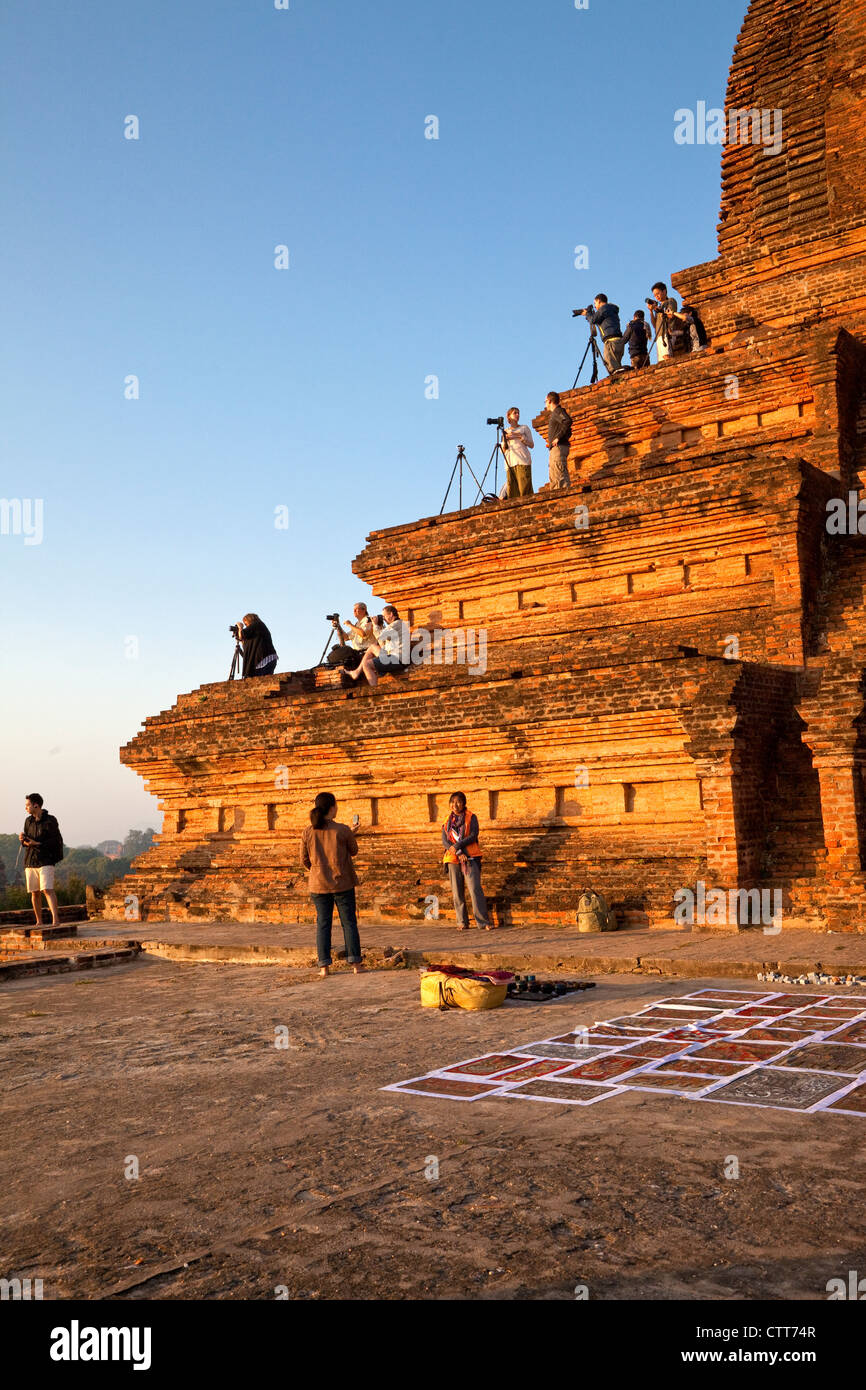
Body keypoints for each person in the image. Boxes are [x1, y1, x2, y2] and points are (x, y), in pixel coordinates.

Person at [301, 791, 364, 977]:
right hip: (341, 883)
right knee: (349, 923)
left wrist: (317, 871)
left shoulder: (308, 832)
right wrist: (351, 834)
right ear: (331, 808)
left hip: (318, 884)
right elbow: (354, 851)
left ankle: (324, 967)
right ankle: (355, 964)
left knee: (323, 924)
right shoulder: (342, 830)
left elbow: (304, 859)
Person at [441, 791, 492, 931]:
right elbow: (445, 841)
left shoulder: (471, 817)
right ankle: (462, 922)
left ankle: (483, 921)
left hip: (470, 857)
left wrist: (458, 846)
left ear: (464, 803)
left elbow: (473, 835)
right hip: (453, 859)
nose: (455, 805)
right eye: (452, 802)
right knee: (457, 892)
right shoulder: (447, 820)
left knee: (475, 889)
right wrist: (458, 852)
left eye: (458, 802)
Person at [19, 793, 63, 928]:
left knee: (47, 890)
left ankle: (55, 920)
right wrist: (24, 840)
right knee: (34, 892)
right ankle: (39, 921)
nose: (26, 808)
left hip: (46, 859)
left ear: (36, 805)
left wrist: (37, 843)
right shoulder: (28, 821)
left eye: (28, 805)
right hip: (31, 860)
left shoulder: (50, 820)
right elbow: (26, 841)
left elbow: (55, 841)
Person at [342, 604, 411, 689]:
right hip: (393, 656)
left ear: (391, 614)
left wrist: (375, 624)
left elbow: (380, 636)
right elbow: (382, 643)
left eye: (384, 616)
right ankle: (356, 672)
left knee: (367, 664)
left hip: (397, 659)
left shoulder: (397, 625)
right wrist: (379, 626)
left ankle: (374, 690)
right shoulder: (394, 626)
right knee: (373, 647)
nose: (384, 618)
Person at [579, 294, 625, 375]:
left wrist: (588, 313)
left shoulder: (604, 308)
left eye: (595, 303)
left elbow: (593, 320)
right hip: (618, 341)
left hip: (611, 342)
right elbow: (597, 321)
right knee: (617, 369)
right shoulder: (610, 310)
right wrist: (588, 315)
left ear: (599, 301)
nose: (595, 306)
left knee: (614, 370)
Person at [646, 282, 686, 362]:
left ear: (664, 291)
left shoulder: (670, 301)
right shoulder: (659, 307)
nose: (656, 296)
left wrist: (658, 310)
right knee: (662, 361)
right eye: (654, 295)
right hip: (659, 335)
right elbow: (654, 325)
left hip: (667, 333)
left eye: (658, 293)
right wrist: (651, 311)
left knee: (667, 357)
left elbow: (670, 314)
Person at [327, 603, 375, 670]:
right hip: (357, 654)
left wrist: (350, 625)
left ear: (364, 610)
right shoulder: (357, 624)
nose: (354, 611)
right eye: (353, 610)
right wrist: (338, 625)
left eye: (356, 609)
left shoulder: (369, 619)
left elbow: (363, 633)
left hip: (367, 653)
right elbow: (346, 637)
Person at [503, 407, 534, 498]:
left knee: (525, 489)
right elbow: (503, 449)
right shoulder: (505, 431)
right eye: (514, 413)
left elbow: (531, 445)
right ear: (509, 416)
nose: (517, 415)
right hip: (510, 463)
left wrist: (519, 436)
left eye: (518, 413)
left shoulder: (524, 428)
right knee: (512, 491)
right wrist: (506, 439)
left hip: (523, 461)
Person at [544, 392, 572, 489]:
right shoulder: (555, 413)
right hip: (555, 448)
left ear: (550, 401)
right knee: (555, 476)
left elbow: (567, 421)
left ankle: (564, 499)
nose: (545, 404)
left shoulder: (557, 411)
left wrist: (558, 437)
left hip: (559, 447)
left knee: (560, 477)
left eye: (545, 401)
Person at [236, 613, 278, 677]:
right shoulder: (256, 629)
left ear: (250, 619)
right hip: (265, 660)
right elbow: (246, 648)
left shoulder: (257, 624)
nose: (246, 625)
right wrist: (241, 639)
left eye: (245, 623)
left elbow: (243, 635)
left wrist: (240, 627)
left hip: (264, 660)